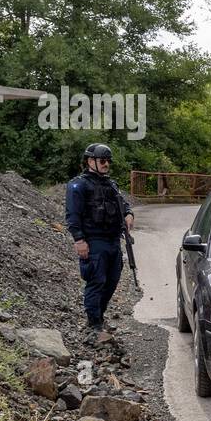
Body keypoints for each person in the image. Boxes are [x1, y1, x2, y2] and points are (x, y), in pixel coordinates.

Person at [65, 143, 134, 338]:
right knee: (97, 281)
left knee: (112, 281)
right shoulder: (78, 185)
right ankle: (93, 323)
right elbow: (72, 216)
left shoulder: (110, 184)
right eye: (102, 160)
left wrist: (129, 214)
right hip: (93, 241)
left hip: (113, 241)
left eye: (108, 161)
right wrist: (79, 240)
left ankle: (99, 316)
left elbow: (124, 204)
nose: (106, 164)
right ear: (90, 161)